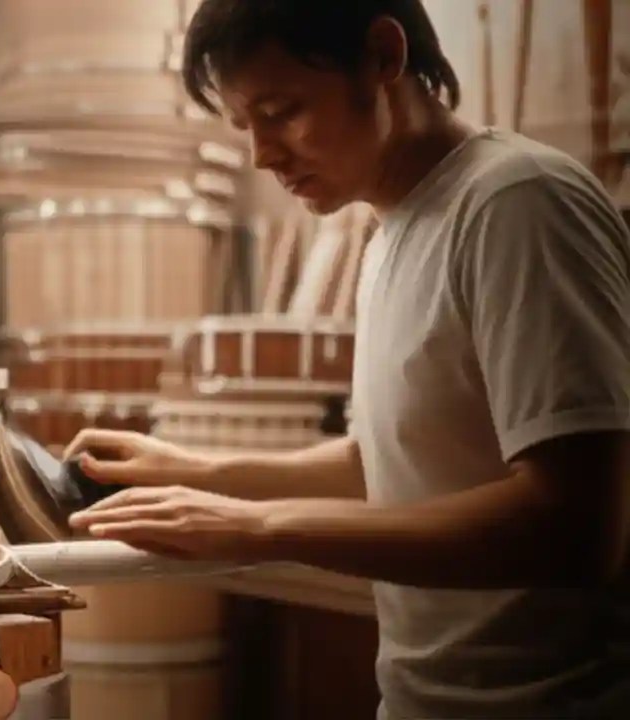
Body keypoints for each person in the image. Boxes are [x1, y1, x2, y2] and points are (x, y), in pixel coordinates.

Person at [62, 1, 630, 718]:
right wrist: (196, 469)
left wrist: (258, 528)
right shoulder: (392, 232)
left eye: (283, 110)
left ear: (385, 58)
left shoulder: (517, 205)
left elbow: (576, 524)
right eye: (247, 126)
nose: (263, 155)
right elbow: (389, 461)